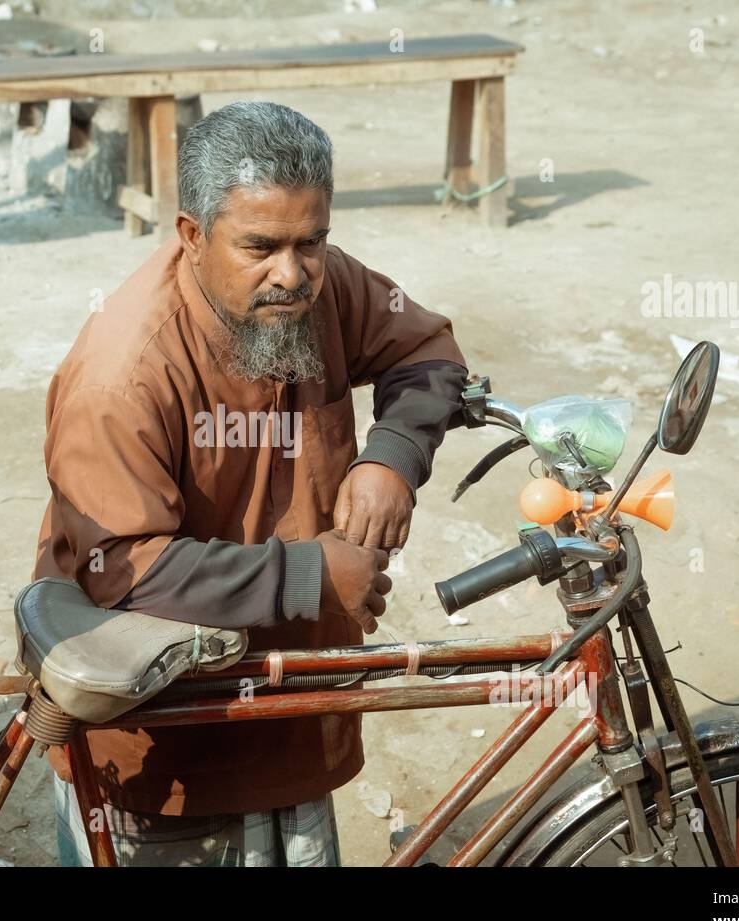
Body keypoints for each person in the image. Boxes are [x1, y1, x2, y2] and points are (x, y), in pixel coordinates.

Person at [34, 100, 469, 865]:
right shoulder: (123, 375)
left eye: (314, 242)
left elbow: (425, 345)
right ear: (193, 236)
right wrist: (313, 574)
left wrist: (391, 455)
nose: (292, 275)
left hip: (291, 692)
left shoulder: (318, 286)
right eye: (261, 247)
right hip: (165, 715)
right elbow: (122, 571)